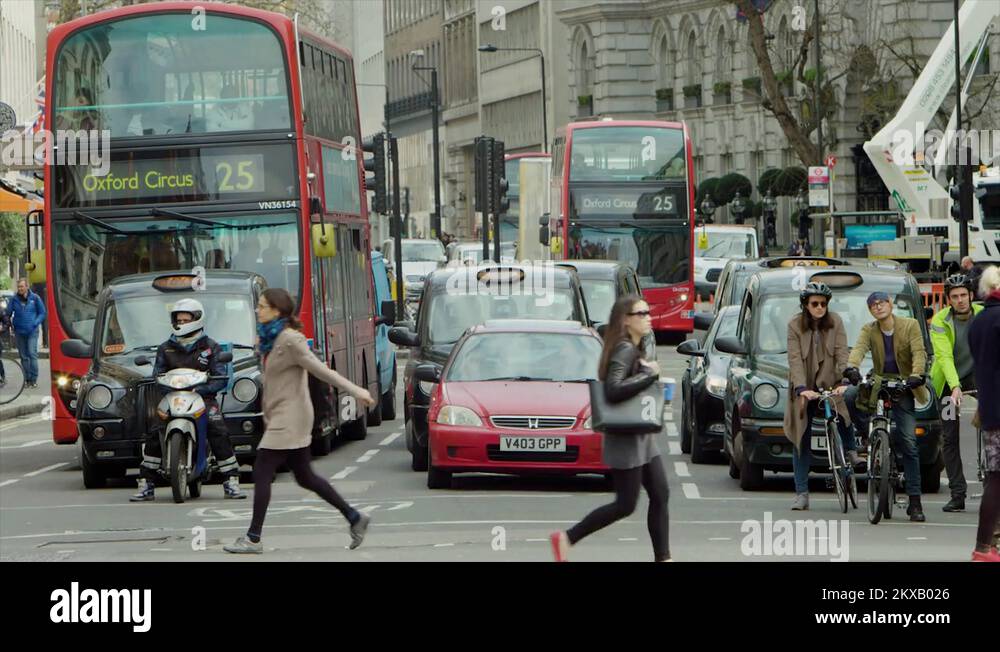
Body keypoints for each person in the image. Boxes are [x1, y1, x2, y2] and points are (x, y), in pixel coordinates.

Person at [224, 288, 376, 554]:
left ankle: (253, 538)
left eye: (262, 306)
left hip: (291, 417)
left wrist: (356, 391)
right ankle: (354, 517)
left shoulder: (290, 339)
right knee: (305, 477)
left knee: (262, 470)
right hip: (281, 415)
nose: (257, 310)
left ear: (277, 310)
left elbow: (321, 370)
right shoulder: (268, 340)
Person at [550, 295, 671, 562]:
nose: (648, 316)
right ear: (625, 321)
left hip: (641, 437)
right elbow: (613, 390)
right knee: (625, 505)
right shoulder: (624, 349)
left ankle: (664, 558)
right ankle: (568, 537)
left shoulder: (633, 348)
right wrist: (649, 375)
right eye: (641, 313)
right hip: (627, 440)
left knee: (661, 493)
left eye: (648, 311)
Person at [131, 299, 245, 501]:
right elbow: (158, 374)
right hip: (172, 397)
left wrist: (201, 389)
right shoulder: (165, 348)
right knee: (155, 429)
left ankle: (231, 481)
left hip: (203, 398)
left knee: (217, 428)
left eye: (186, 319)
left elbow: (219, 375)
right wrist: (167, 385)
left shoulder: (211, 347)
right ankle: (146, 483)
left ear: (197, 319)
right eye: (178, 319)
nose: (182, 323)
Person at [843, 291, 930, 522]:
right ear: (870, 310)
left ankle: (915, 501)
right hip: (879, 382)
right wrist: (852, 367)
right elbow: (859, 350)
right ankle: (867, 434)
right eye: (873, 305)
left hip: (904, 384)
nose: (878, 307)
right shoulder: (869, 329)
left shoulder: (910, 325)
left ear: (890, 305)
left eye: (881, 303)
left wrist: (917, 374)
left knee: (909, 443)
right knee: (851, 395)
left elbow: (918, 352)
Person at [784, 282, 862, 511]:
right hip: (804, 386)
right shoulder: (794, 325)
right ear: (806, 305)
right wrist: (801, 389)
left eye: (823, 304)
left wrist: (846, 378)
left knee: (843, 408)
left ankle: (850, 452)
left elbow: (841, 351)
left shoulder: (835, 321)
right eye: (815, 304)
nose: (820, 308)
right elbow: (795, 359)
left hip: (831, 381)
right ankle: (801, 493)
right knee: (801, 438)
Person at [929, 274, 983, 513]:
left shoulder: (984, 313)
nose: (960, 300)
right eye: (955, 297)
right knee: (950, 437)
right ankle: (957, 494)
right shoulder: (940, 320)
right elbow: (944, 357)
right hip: (950, 382)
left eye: (964, 295)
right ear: (948, 300)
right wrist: (954, 387)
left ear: (971, 295)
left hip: (978, 376)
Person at [967, 265, 1000, 561]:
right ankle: (984, 548)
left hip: (990, 408)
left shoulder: (979, 321)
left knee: (995, 476)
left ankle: (984, 547)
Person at [5, 278, 45, 389]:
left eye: (22, 286)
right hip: (19, 332)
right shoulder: (14, 299)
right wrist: (8, 322)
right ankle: (27, 379)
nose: (20, 289)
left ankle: (34, 379)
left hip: (32, 331)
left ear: (27, 287)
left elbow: (42, 313)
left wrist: (35, 323)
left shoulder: (35, 298)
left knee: (32, 354)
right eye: (18, 287)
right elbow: (8, 313)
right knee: (23, 357)